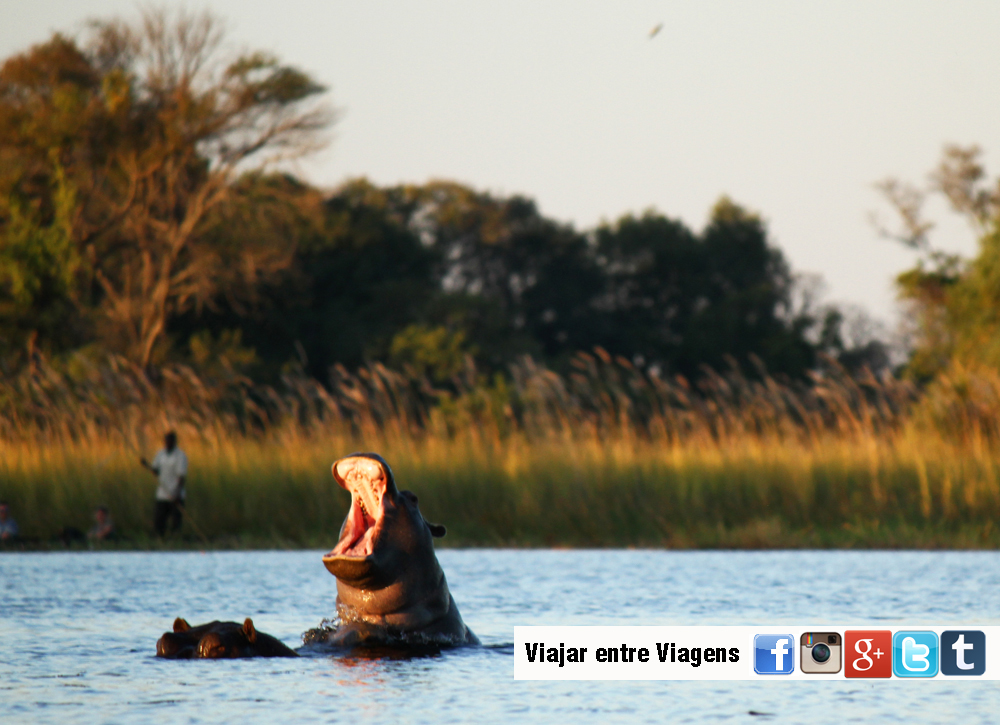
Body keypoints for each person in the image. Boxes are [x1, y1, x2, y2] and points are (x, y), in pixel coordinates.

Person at [141, 431, 188, 537]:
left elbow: (181, 477)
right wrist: (146, 465)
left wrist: (177, 494)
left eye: (170, 441)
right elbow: (156, 471)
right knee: (159, 520)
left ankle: (175, 539)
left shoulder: (180, 456)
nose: (167, 443)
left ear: (174, 442)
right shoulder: (160, 454)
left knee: (176, 521)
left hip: (175, 494)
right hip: (162, 493)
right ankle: (159, 538)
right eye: (166, 441)